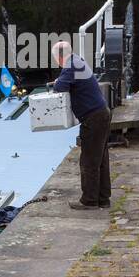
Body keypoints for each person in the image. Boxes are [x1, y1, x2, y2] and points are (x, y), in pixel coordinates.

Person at [51, 40, 111, 210]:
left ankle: (90, 201)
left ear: (59, 57)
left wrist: (57, 82)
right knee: (101, 159)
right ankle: (103, 199)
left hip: (93, 118)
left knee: (89, 161)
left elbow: (60, 88)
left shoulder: (69, 67)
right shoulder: (78, 60)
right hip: (102, 113)